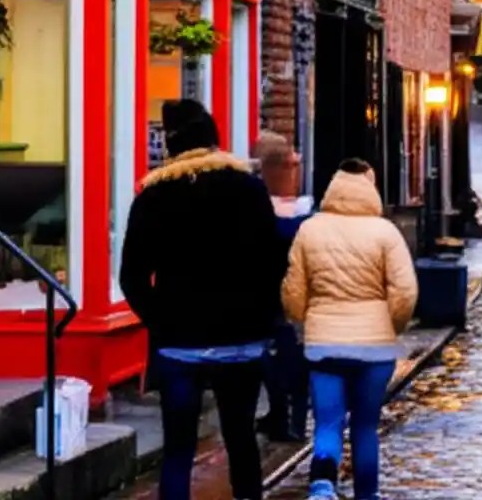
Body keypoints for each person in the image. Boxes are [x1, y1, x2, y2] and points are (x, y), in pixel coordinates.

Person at [120, 99, 285, 500]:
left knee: (178, 448)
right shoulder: (248, 188)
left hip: (179, 343)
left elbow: (132, 277)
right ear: (213, 141)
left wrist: (161, 319)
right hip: (241, 338)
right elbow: (275, 261)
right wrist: (262, 316)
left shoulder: (154, 196)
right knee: (241, 437)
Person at [282, 158, 418, 500]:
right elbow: (405, 292)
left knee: (327, 424)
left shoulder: (311, 229)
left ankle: (323, 485)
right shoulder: (385, 233)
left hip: (325, 343)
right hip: (374, 348)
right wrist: (393, 325)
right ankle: (366, 495)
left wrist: (303, 320)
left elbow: (294, 290)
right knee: (365, 426)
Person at [252, 132, 314, 442]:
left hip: (266, 298)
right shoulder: (303, 215)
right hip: (292, 299)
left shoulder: (257, 212)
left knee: (275, 361)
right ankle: (293, 418)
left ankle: (283, 416)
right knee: (292, 362)